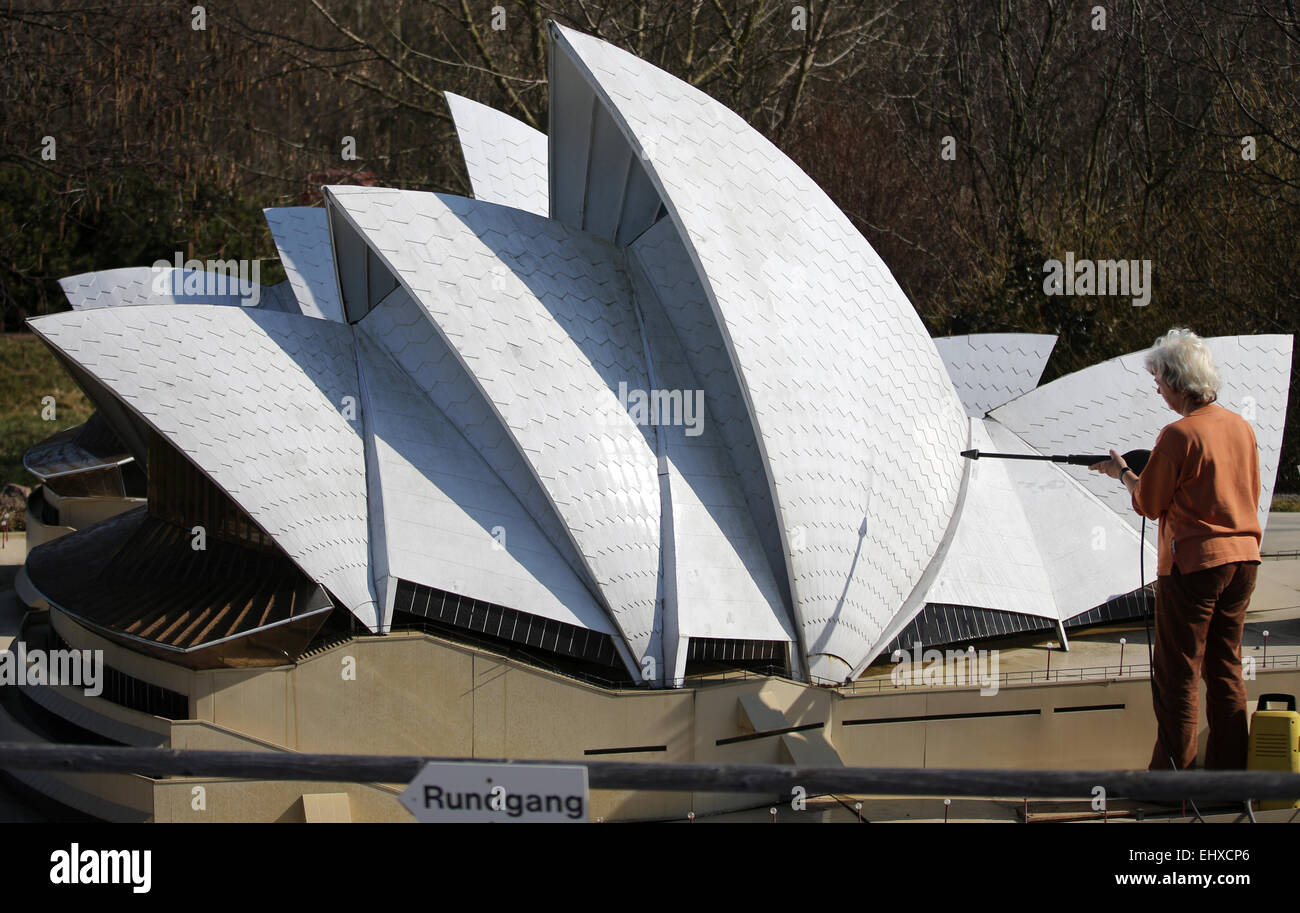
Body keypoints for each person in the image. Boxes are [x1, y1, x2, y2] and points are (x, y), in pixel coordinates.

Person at [1088, 327, 1261, 771]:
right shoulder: (1241, 427)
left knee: (1178, 675)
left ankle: (1174, 785)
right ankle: (1229, 776)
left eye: (1159, 381)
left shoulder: (1178, 435)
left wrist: (1123, 474)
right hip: (1243, 561)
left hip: (1194, 568)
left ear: (1176, 381)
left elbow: (1148, 503)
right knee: (1225, 668)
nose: (1157, 388)